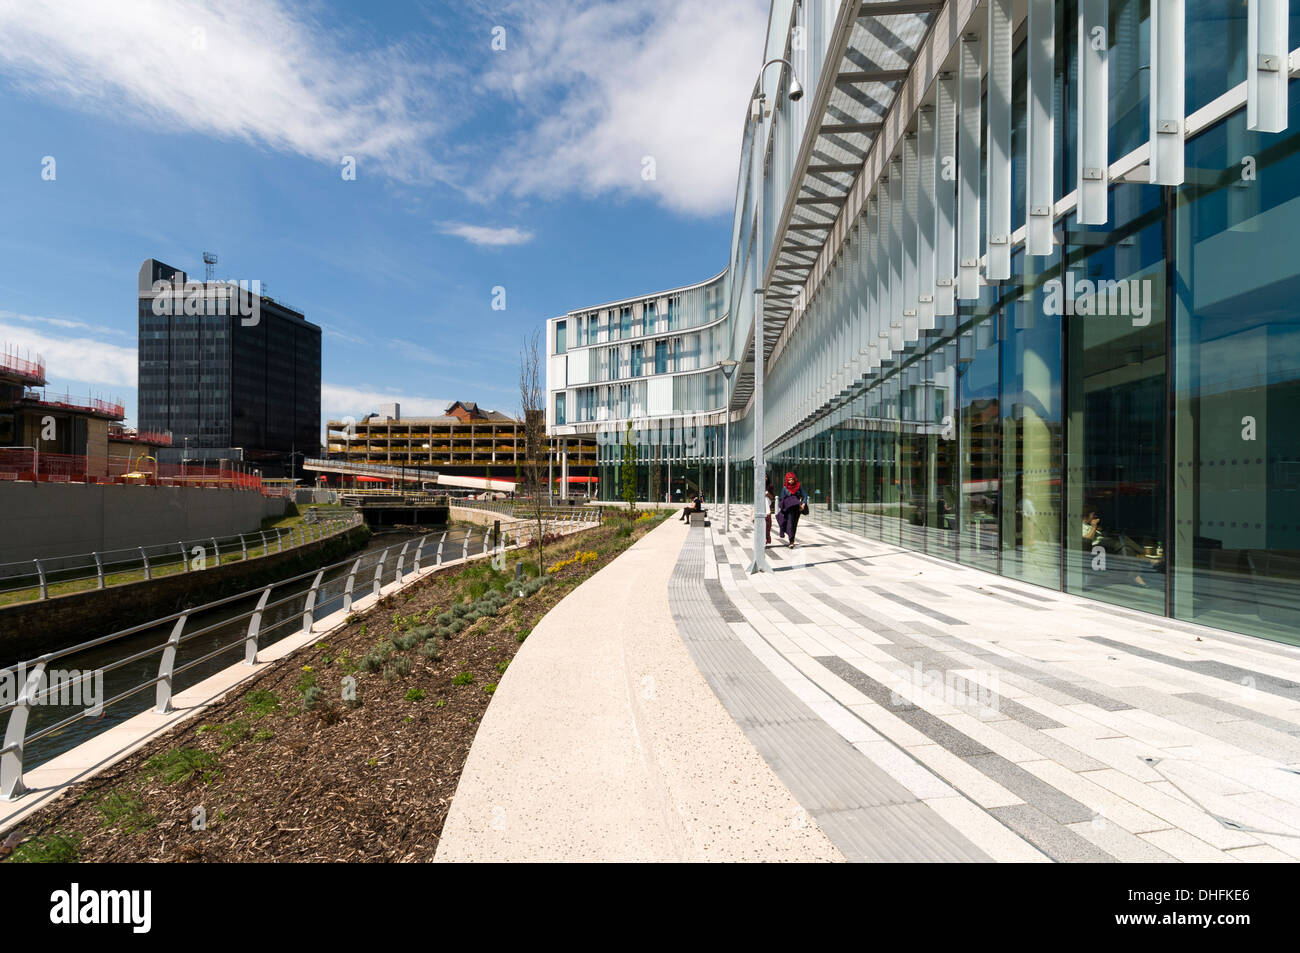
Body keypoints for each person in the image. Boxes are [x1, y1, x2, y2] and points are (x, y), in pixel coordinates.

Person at [776, 471, 808, 548]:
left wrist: (803, 504)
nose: (791, 481)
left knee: (794, 524)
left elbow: (805, 495)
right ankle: (791, 541)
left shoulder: (798, 486)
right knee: (789, 523)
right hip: (788, 509)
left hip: (797, 509)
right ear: (787, 480)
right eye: (789, 479)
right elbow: (781, 499)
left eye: (792, 479)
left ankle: (792, 540)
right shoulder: (784, 488)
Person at [764, 478, 776, 546]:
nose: (765, 478)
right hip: (760, 508)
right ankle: (763, 540)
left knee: (768, 524)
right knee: (761, 524)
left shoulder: (770, 486)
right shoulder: (758, 484)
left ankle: (767, 539)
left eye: (766, 476)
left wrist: (768, 494)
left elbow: (772, 497)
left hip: (767, 508)